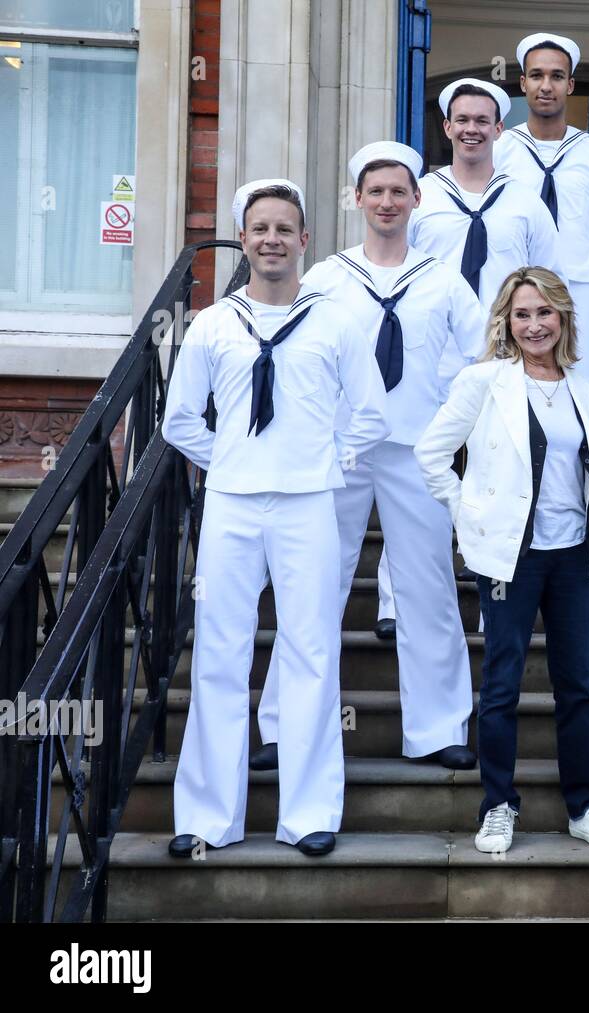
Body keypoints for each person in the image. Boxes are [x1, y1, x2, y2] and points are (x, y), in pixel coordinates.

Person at [163, 179, 388, 858]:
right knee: (220, 655)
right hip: (232, 505)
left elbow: (371, 412)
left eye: (284, 229)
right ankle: (207, 817)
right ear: (245, 237)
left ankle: (310, 811)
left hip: (310, 506)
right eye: (259, 228)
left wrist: (327, 462)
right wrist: (230, 460)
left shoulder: (336, 320)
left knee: (311, 653)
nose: (271, 240)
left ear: (304, 240)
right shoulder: (212, 323)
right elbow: (178, 421)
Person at [254, 142, 484, 772]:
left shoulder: (443, 277)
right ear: (357, 199)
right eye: (375, 190)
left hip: (419, 451)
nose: (387, 201)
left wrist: (448, 417)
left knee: (429, 585)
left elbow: (481, 357)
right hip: (342, 452)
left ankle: (438, 728)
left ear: (417, 199)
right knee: (314, 586)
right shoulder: (325, 278)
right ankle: (285, 725)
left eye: (399, 191)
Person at [415, 267, 589, 854]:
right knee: (502, 684)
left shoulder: (584, 385)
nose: (534, 325)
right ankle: (498, 806)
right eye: (523, 314)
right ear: (507, 320)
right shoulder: (484, 381)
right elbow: (431, 452)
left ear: (563, 317)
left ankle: (585, 805)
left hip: (572, 552)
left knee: (577, 685)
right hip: (510, 556)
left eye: (545, 313)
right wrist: (468, 511)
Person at [494, 32, 589, 380]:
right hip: (511, 291)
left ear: (570, 84)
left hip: (575, 292)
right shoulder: (501, 149)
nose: (546, 85)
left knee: (579, 385)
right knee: (510, 388)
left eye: (556, 76)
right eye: (537, 75)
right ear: (523, 83)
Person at [408, 78, 563, 306]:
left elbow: (551, 282)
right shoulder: (420, 197)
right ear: (448, 127)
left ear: (498, 129)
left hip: (504, 339)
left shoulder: (526, 202)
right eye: (462, 120)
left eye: (482, 121)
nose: (471, 129)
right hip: (434, 338)